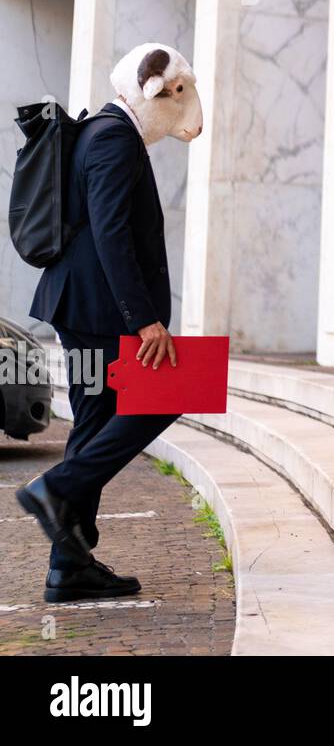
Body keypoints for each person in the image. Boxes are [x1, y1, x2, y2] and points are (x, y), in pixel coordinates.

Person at [16, 43, 203, 602]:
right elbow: (111, 234)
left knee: (95, 426)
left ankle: (68, 565)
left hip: (83, 306)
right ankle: (57, 488)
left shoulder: (102, 132)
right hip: (97, 312)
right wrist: (144, 320)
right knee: (170, 392)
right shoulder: (114, 139)